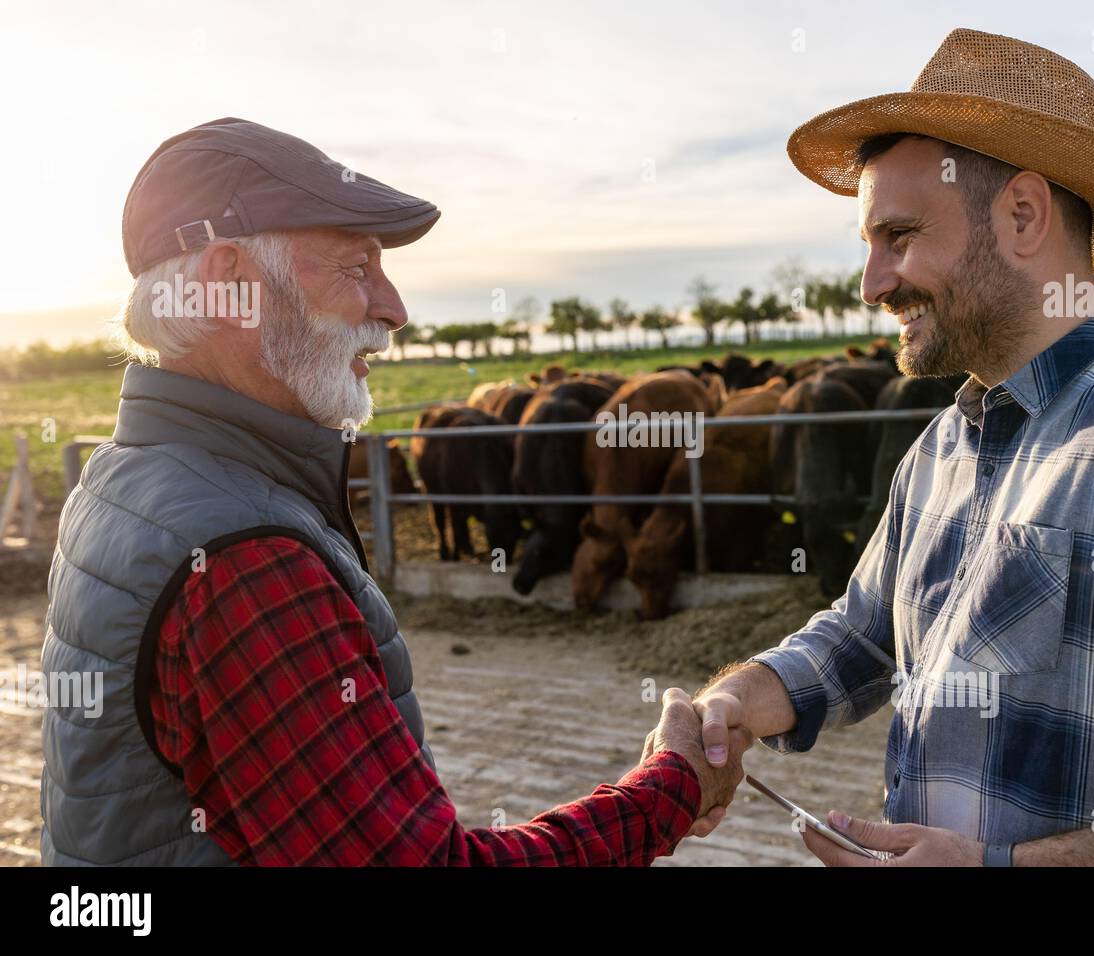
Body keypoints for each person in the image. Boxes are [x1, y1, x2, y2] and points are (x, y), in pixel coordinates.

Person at [40, 118, 746, 866]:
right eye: (355, 269)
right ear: (229, 284)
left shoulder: (123, 480)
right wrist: (669, 790)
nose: (394, 307)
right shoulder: (246, 560)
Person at [691, 28, 1094, 866]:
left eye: (897, 237)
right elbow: (866, 631)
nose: (872, 284)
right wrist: (735, 700)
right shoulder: (943, 448)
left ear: (1021, 215)